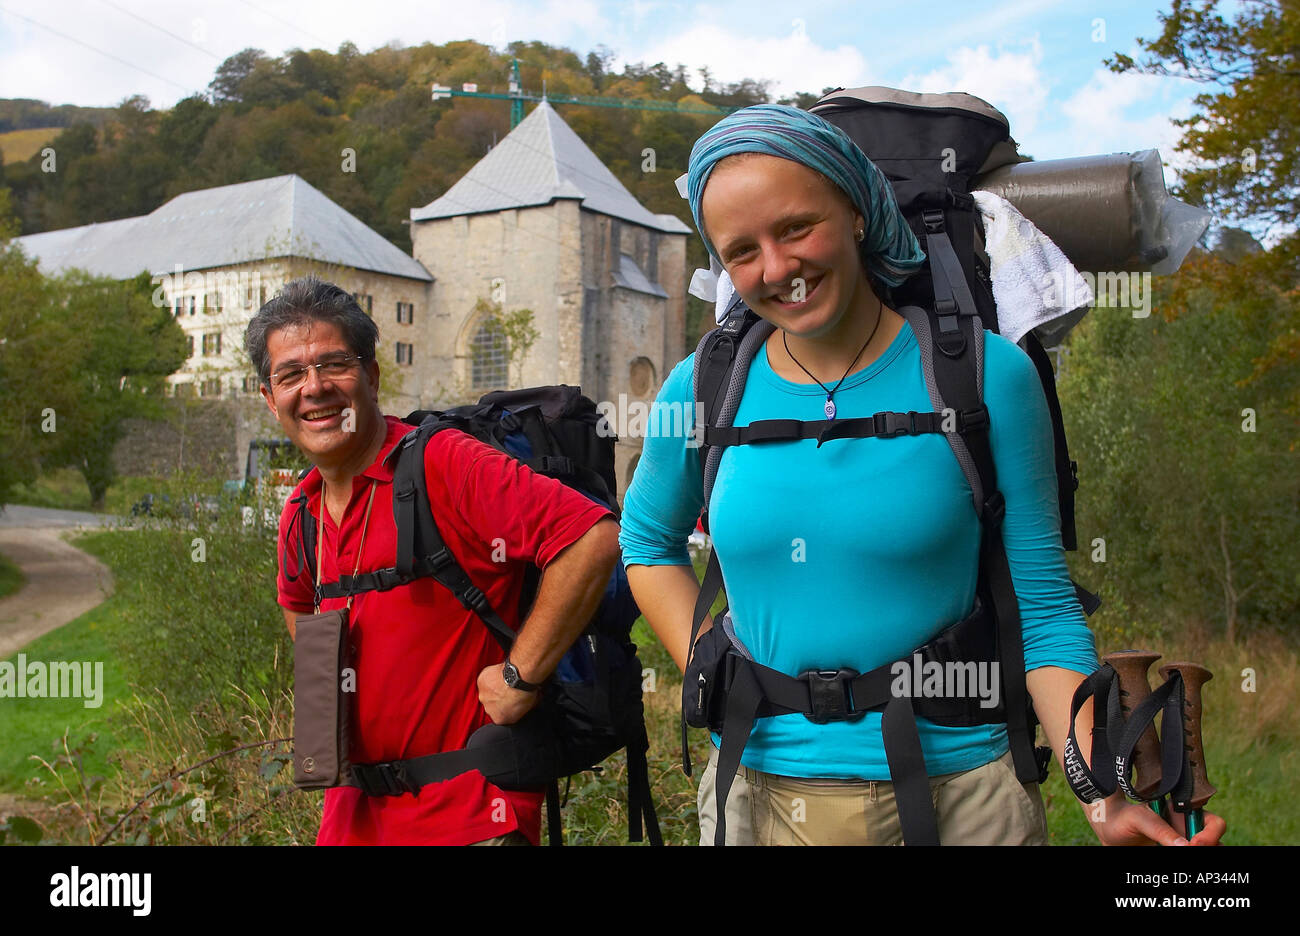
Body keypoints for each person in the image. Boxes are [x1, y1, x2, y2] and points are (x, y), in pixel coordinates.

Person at [619, 104, 1226, 846]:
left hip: (963, 795)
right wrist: (710, 660)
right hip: (758, 793)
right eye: (742, 251)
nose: (777, 270)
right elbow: (647, 541)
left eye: (797, 228)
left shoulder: (983, 375)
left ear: (858, 212)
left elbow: (1041, 609)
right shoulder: (705, 384)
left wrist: (1102, 790)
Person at [248, 276, 620, 845]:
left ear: (371, 376)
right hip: (352, 817)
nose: (315, 388)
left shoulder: (441, 463)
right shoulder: (300, 511)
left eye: (333, 365)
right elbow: (299, 608)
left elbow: (591, 537)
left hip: (469, 811)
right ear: (271, 400)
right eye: (291, 374)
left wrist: (522, 675)